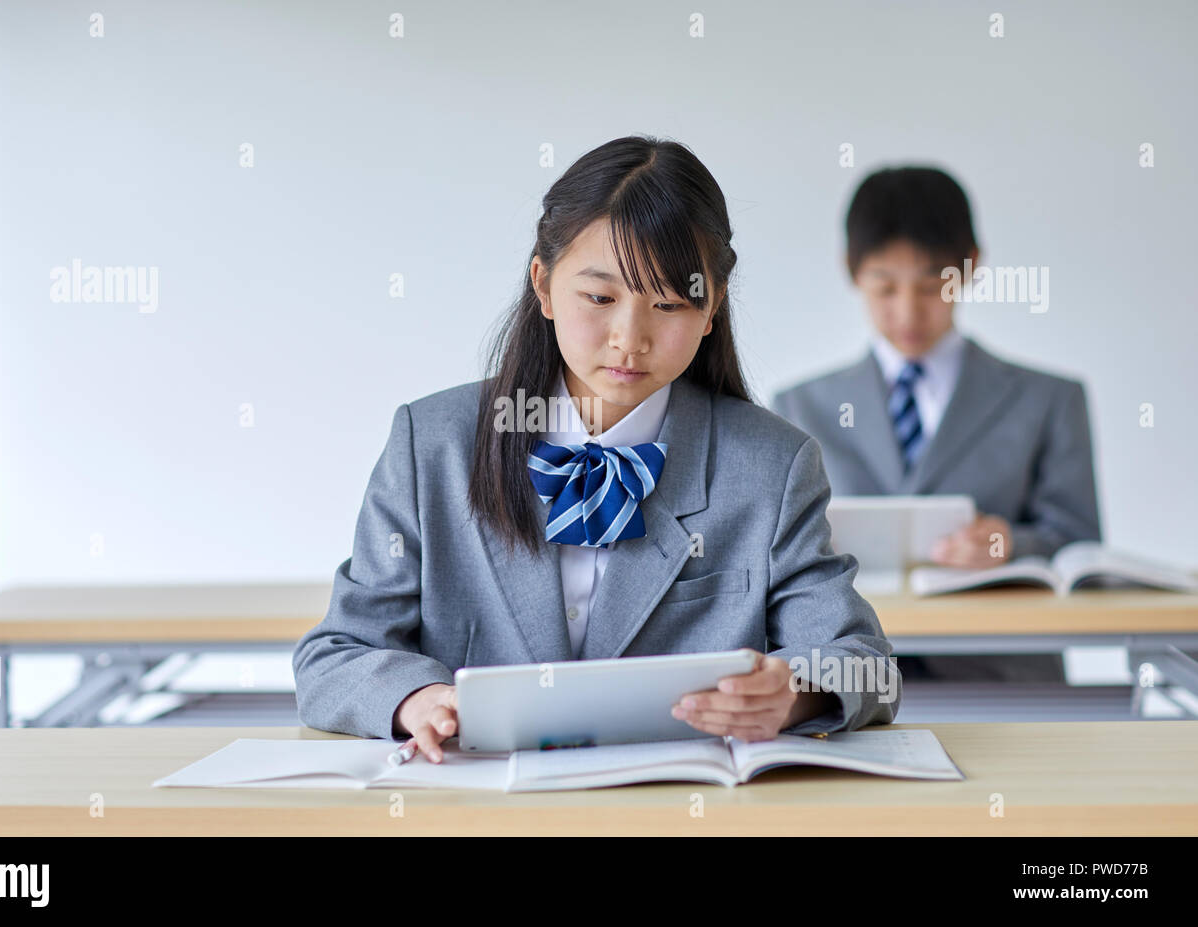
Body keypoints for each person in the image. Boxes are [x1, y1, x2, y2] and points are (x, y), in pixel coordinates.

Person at [294, 136, 900, 763]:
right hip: (479, 811)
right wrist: (414, 698)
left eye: (667, 304)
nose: (629, 339)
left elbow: (871, 670)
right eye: (600, 298)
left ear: (712, 306)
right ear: (544, 286)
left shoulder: (772, 464)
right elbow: (335, 655)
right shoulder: (433, 444)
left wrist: (795, 692)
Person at [771, 166, 1101, 681]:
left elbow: (1082, 544)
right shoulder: (798, 405)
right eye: (885, 288)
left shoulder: (1048, 400)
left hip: (1005, 678)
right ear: (852, 272)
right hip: (844, 681)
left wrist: (1009, 545)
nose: (908, 311)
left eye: (930, 287)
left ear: (971, 267)